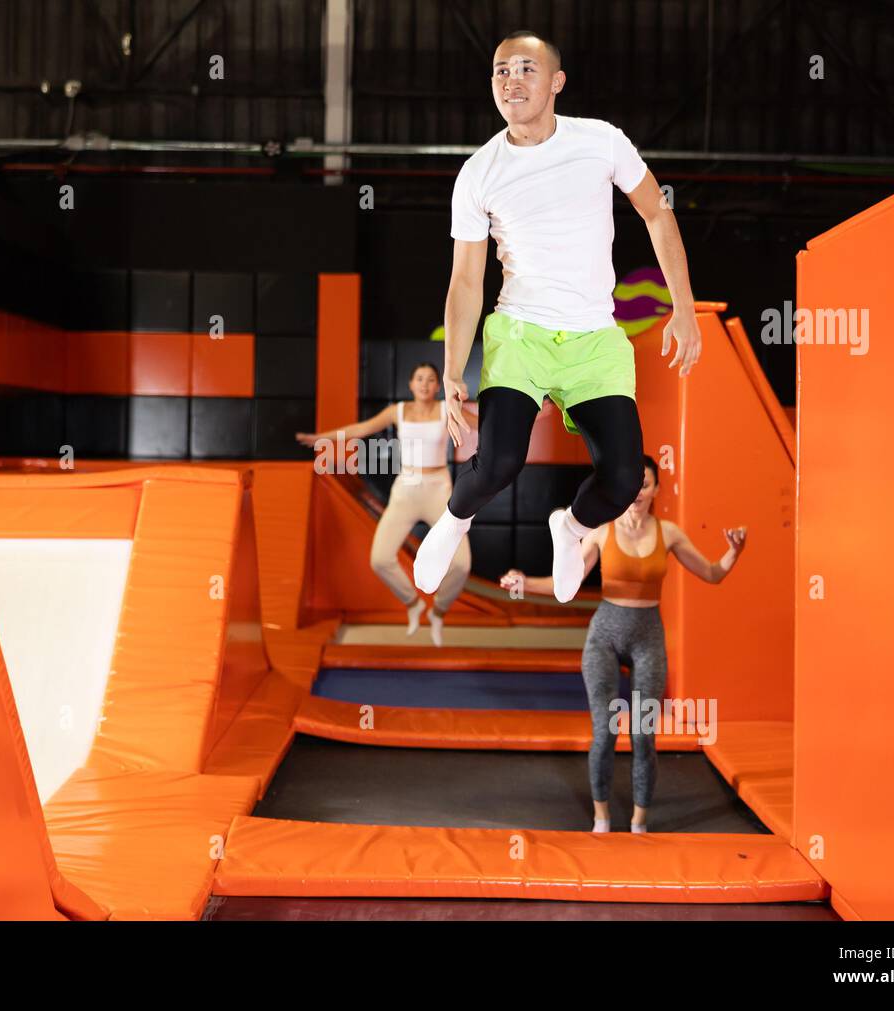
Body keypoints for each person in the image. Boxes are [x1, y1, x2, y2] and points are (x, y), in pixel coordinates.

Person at [414, 28, 702, 606]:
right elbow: (467, 280)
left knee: (622, 480)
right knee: (497, 461)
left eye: (525, 68)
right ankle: (454, 521)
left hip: (594, 339)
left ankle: (569, 529)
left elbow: (656, 213)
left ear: (556, 82)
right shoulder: (479, 172)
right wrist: (451, 372)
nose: (511, 80)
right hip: (521, 332)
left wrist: (684, 308)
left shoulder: (600, 142)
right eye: (500, 70)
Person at [500, 455, 747, 833]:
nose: (636, 492)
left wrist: (734, 552)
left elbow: (712, 574)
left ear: (655, 490)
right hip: (605, 636)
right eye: (631, 485)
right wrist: (524, 584)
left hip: (648, 636)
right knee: (605, 731)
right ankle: (601, 818)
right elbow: (566, 584)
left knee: (643, 734)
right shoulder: (600, 530)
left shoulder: (670, 533)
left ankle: (639, 823)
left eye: (644, 484)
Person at [296, 362, 477, 646]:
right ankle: (413, 604)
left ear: (437, 386)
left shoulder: (446, 410)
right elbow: (361, 428)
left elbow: (482, 422)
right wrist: (321, 439)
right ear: (411, 384)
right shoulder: (398, 411)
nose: (425, 384)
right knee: (380, 558)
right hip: (406, 489)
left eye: (431, 379)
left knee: (462, 564)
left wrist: (532, 414)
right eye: (420, 379)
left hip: (439, 491)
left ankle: (438, 612)